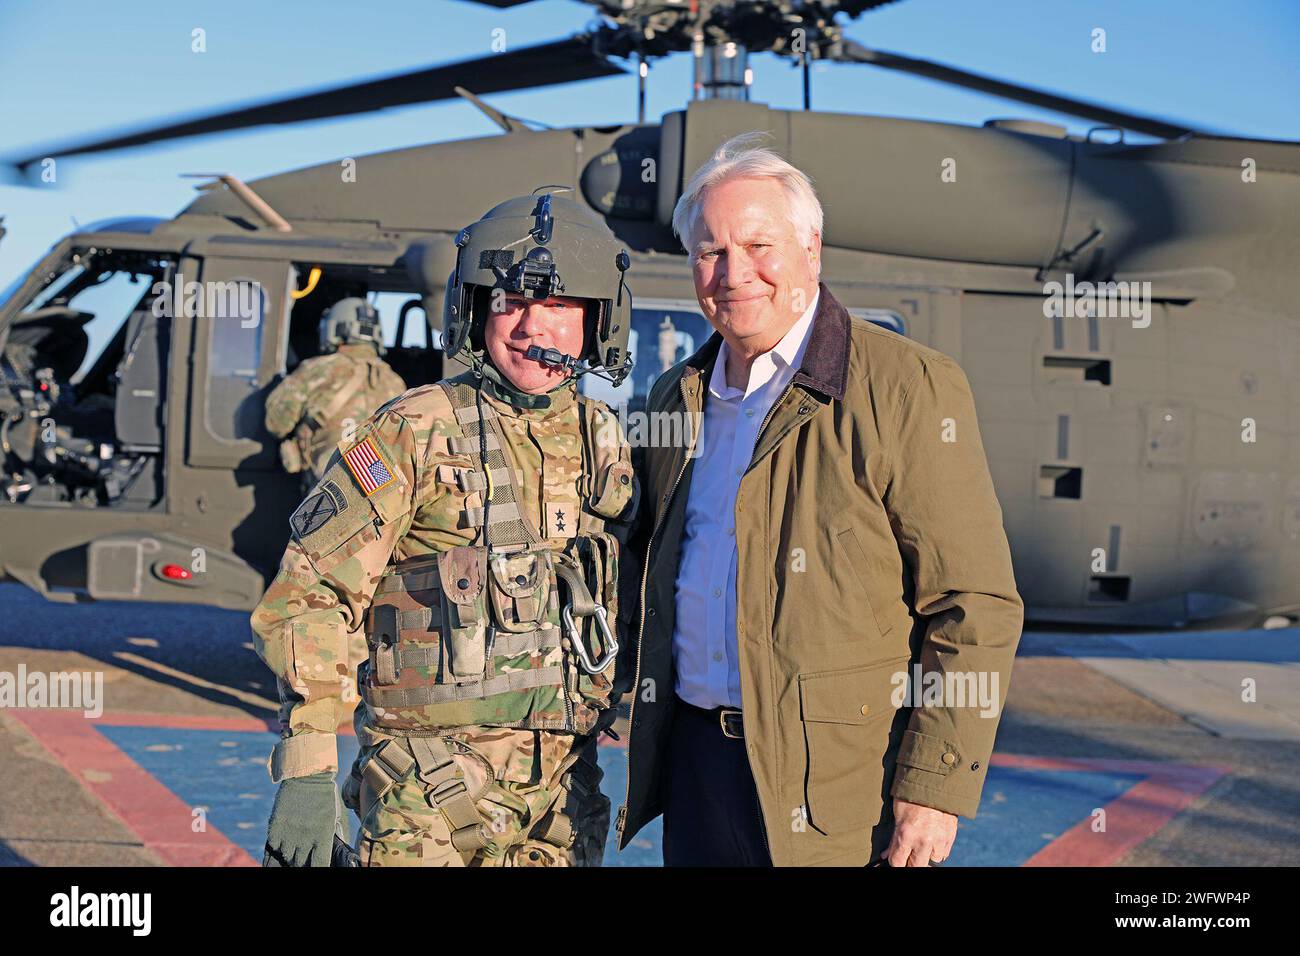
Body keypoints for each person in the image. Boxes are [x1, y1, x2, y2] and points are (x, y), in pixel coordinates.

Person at [616, 133, 1025, 867]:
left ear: (812, 248)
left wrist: (933, 787)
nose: (734, 273)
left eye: (758, 245)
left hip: (837, 786)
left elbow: (976, 603)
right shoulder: (673, 396)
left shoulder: (905, 386)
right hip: (698, 766)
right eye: (710, 252)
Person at [251, 192, 639, 866]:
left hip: (563, 797)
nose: (531, 329)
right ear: (476, 310)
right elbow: (310, 594)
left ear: (597, 320)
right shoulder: (414, 431)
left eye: (558, 306)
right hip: (425, 794)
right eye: (510, 303)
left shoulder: (602, 438)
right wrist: (308, 766)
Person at [264, 297, 407, 488]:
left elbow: (276, 423)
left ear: (333, 329)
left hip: (325, 492)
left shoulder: (317, 370)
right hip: (376, 493)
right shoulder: (396, 383)